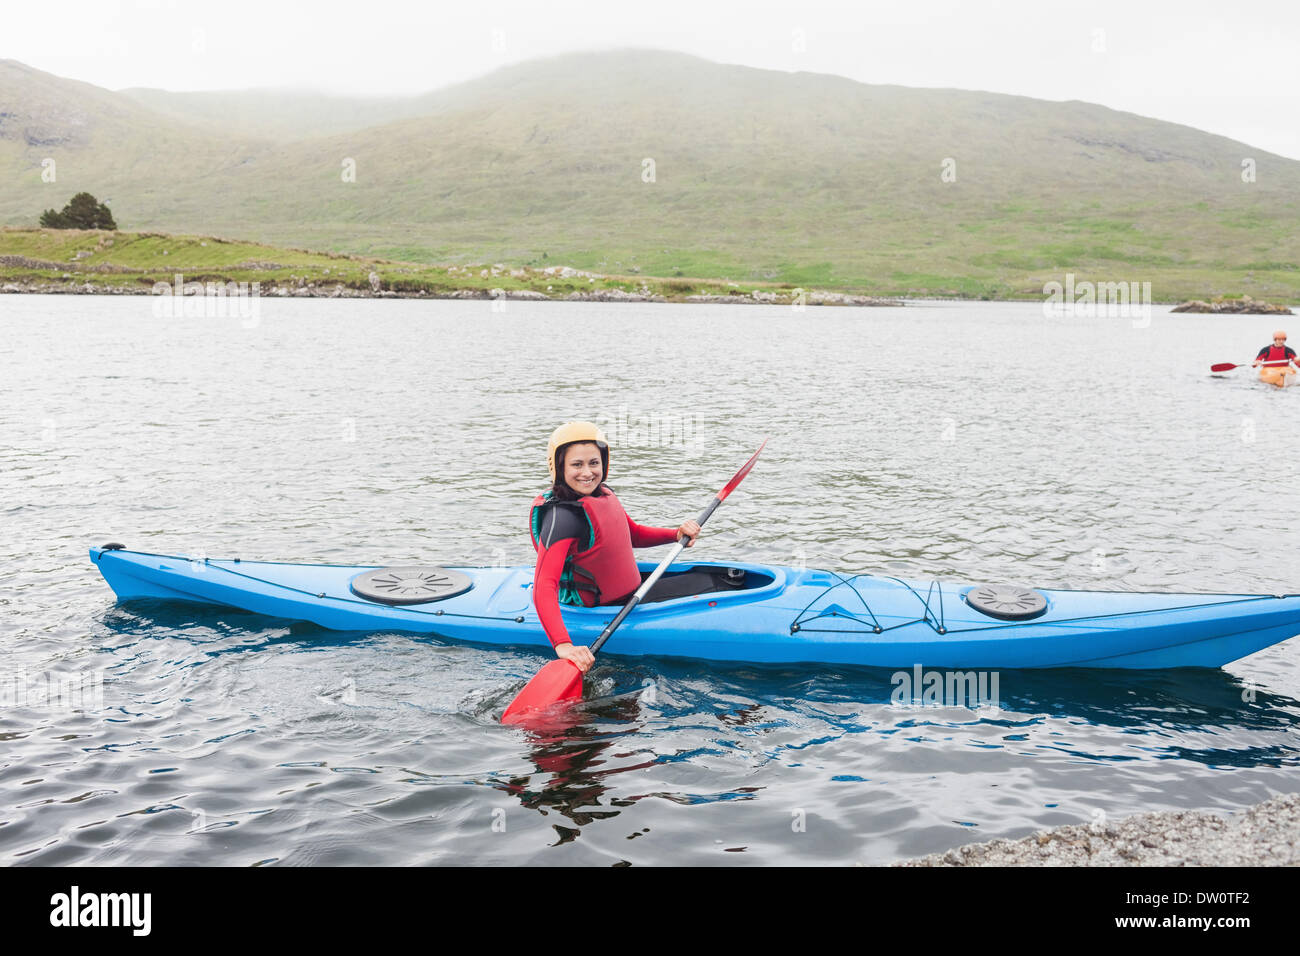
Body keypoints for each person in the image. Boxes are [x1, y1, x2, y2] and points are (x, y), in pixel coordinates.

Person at [530, 421, 701, 673]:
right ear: (559, 467)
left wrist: (675, 534)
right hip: (599, 609)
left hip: (630, 595)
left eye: (594, 463)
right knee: (708, 588)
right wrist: (564, 645)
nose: (587, 472)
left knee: (713, 581)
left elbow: (633, 534)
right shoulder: (562, 517)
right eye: (577, 464)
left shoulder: (602, 494)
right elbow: (544, 585)